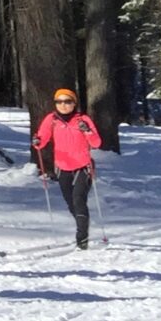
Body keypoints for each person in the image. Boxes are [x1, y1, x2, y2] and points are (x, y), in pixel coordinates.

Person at [32, 88, 103, 249]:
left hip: (83, 167)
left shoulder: (82, 119)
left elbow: (96, 143)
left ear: (74, 103)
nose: (63, 105)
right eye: (59, 102)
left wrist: (88, 131)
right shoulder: (52, 119)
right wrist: (37, 142)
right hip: (62, 167)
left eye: (68, 101)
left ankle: (82, 236)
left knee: (79, 200)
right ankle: (82, 223)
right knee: (71, 203)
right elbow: (42, 139)